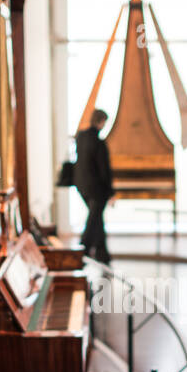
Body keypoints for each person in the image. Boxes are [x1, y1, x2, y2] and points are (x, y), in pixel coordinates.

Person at [74, 109, 114, 264]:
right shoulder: (99, 143)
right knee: (93, 219)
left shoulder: (81, 137)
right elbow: (104, 170)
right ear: (101, 121)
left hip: (81, 185)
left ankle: (102, 252)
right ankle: (82, 251)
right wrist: (110, 192)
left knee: (96, 218)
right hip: (96, 188)